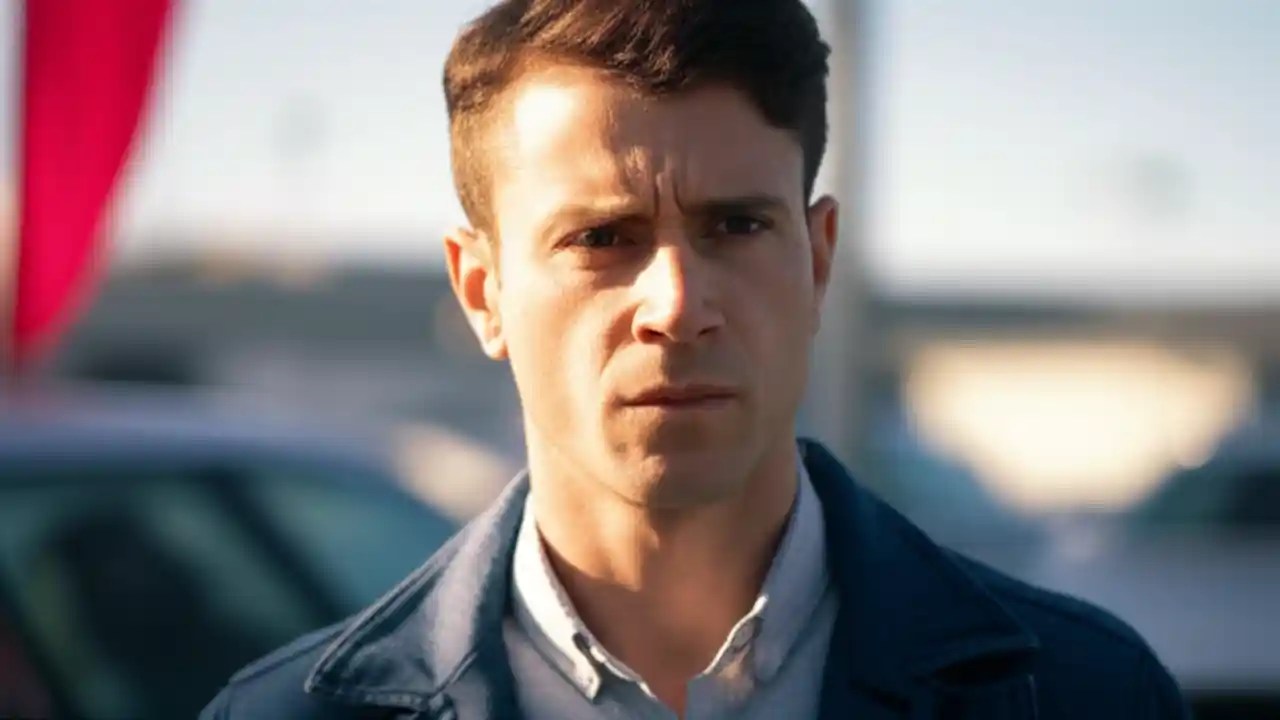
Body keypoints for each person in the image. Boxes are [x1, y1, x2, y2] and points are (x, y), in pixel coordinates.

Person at [201, 1, 1189, 718]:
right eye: (599, 239)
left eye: (735, 225)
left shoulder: (1080, 693)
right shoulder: (285, 715)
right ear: (482, 291)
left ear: (816, 260)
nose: (675, 307)